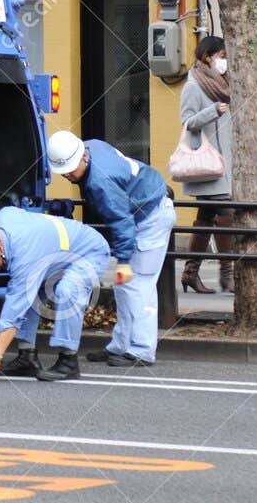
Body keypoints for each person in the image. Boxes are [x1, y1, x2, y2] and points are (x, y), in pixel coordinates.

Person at [47, 131, 174, 367]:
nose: (68, 175)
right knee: (124, 286)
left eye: (71, 169)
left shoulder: (101, 182)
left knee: (139, 285)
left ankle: (142, 350)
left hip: (149, 218)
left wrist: (123, 261)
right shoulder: (91, 146)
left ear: (83, 156)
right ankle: (121, 345)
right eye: (63, 172)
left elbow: (121, 221)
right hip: (147, 207)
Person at [0, 207, 112, 383]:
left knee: (68, 290)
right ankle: (27, 358)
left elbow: (13, 312)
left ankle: (69, 361)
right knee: (29, 296)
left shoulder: (24, 255)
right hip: (53, 255)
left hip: (90, 251)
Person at [178, 36, 233, 293]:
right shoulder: (193, 85)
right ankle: (227, 274)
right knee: (226, 213)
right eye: (221, 56)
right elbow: (187, 122)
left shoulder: (219, 84)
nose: (224, 61)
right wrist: (213, 111)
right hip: (206, 163)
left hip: (219, 162)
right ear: (208, 57)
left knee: (206, 216)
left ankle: (190, 273)